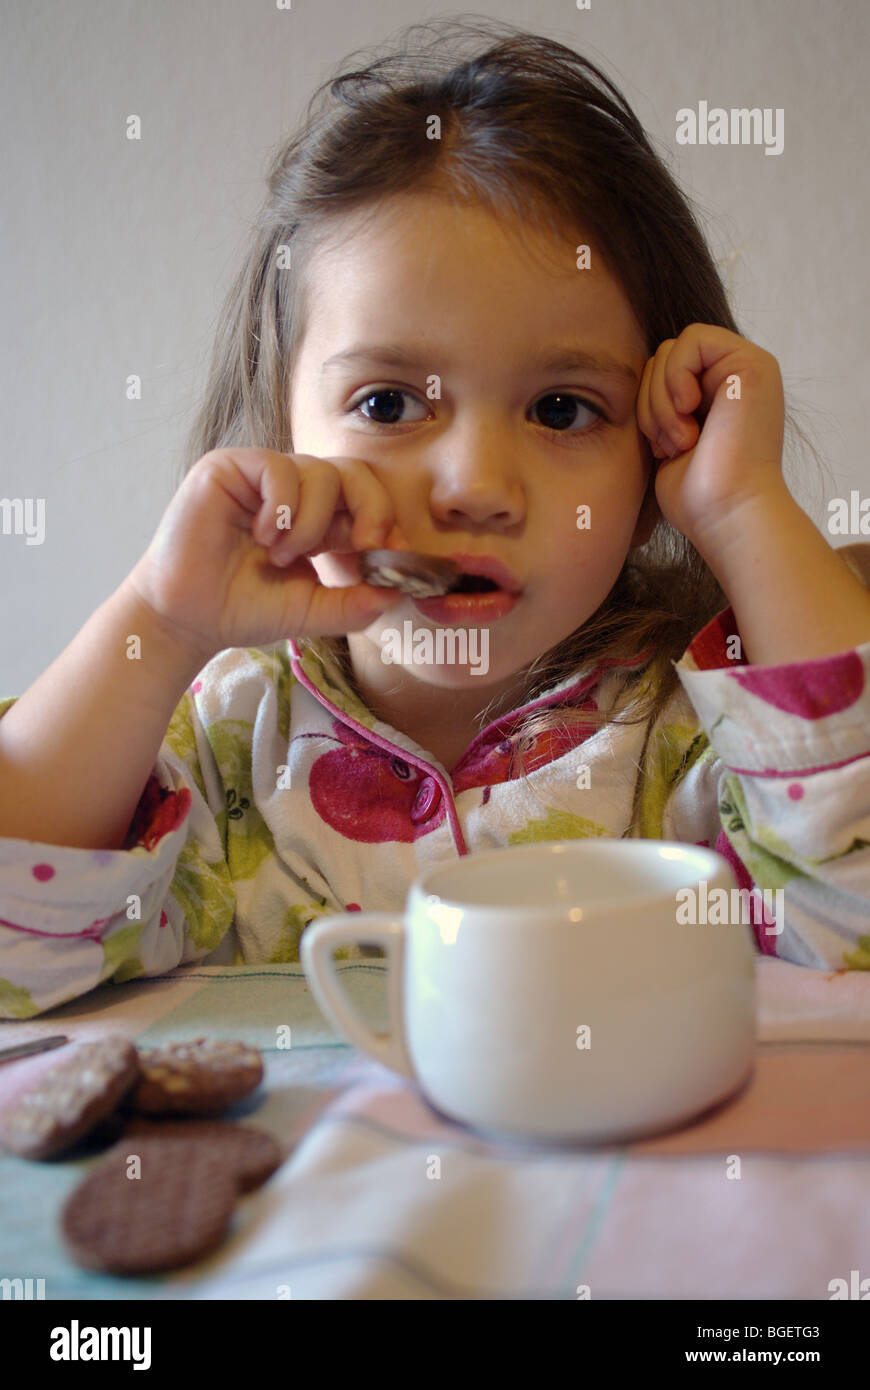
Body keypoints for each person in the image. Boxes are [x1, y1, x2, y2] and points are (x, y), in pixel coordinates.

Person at [2, 18, 870, 1020]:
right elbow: (14, 954)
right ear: (282, 431)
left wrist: (746, 508)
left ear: (654, 463)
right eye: (387, 404)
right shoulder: (224, 741)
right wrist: (158, 622)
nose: (471, 486)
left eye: (560, 409)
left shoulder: (697, 746)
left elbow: (853, 923)